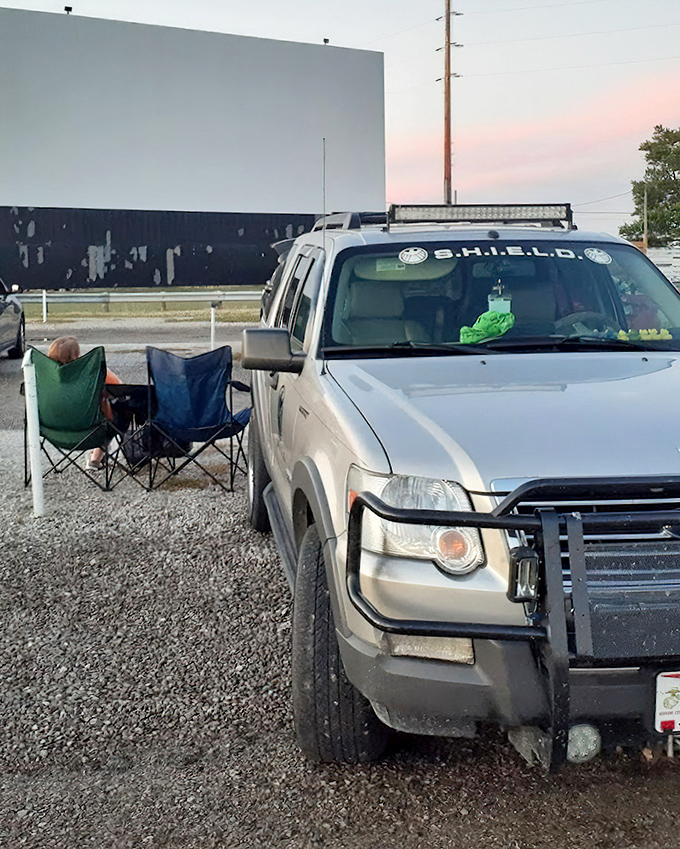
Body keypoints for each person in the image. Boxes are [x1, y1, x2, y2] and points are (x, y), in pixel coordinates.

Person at [46, 335, 122, 470]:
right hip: (90, 432)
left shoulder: (45, 377)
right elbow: (118, 386)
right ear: (77, 355)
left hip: (52, 431)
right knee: (117, 415)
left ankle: (96, 454)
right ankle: (96, 458)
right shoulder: (91, 372)